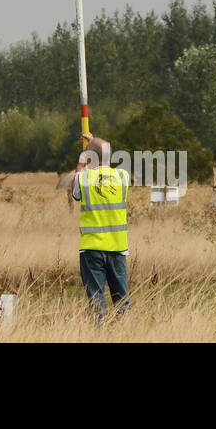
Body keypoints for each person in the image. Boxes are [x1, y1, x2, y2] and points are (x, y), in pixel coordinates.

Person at [71, 133, 130, 323]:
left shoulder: (84, 178)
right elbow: (101, 155)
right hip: (117, 247)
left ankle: (100, 334)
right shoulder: (122, 176)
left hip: (92, 248)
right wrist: (94, 144)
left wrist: (82, 163)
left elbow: (75, 194)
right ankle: (127, 333)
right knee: (121, 298)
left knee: (96, 300)